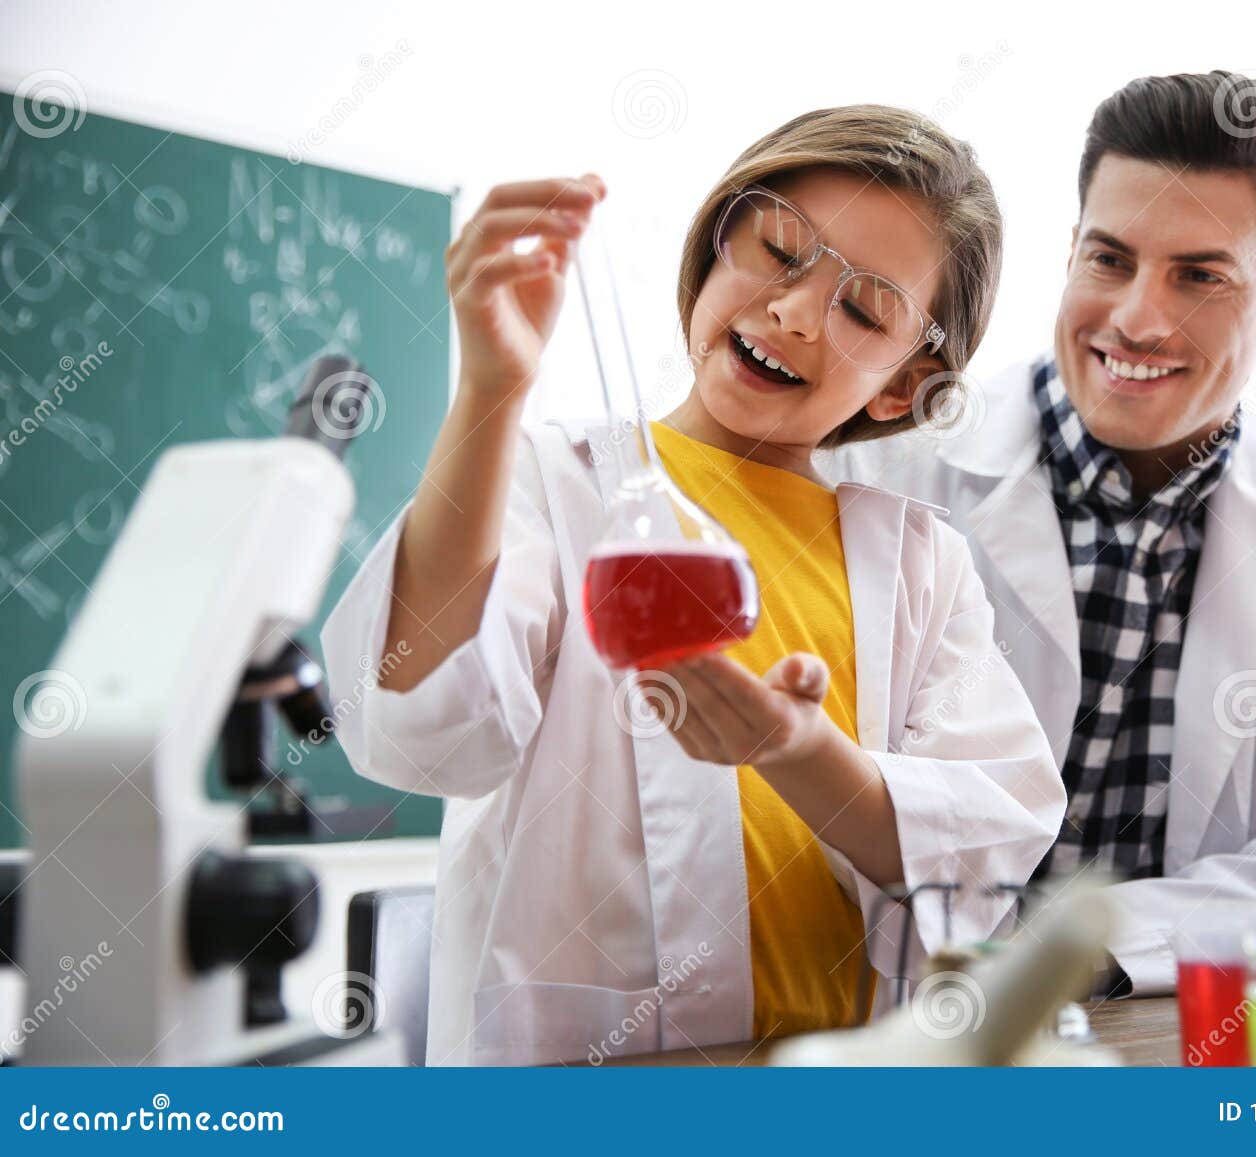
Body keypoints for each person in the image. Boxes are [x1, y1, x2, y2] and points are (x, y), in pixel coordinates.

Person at [320, 105, 1066, 1065]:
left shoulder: (924, 562)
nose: (796, 310)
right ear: (719, 241)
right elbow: (422, 725)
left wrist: (798, 749)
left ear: (900, 384)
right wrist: (492, 389)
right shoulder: (555, 484)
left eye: (864, 310)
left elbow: (979, 850)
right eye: (780, 250)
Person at [828, 72, 1256, 995]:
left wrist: (1072, 956)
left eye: (1200, 276)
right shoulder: (883, 472)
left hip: (1160, 1035)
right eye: (1109, 259)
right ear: (1071, 252)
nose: (1137, 319)